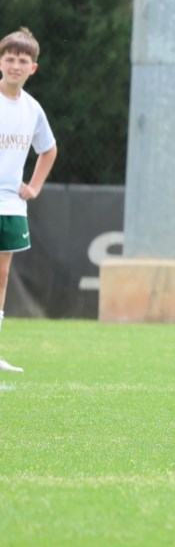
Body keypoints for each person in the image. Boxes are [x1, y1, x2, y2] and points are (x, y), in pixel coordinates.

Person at [0, 28, 57, 374]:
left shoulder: (32, 109)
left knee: (1, 275)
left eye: (23, 61)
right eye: (9, 59)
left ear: (33, 68)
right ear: (0, 62)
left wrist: (33, 187)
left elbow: (48, 149)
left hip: (9, 205)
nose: (15, 65)